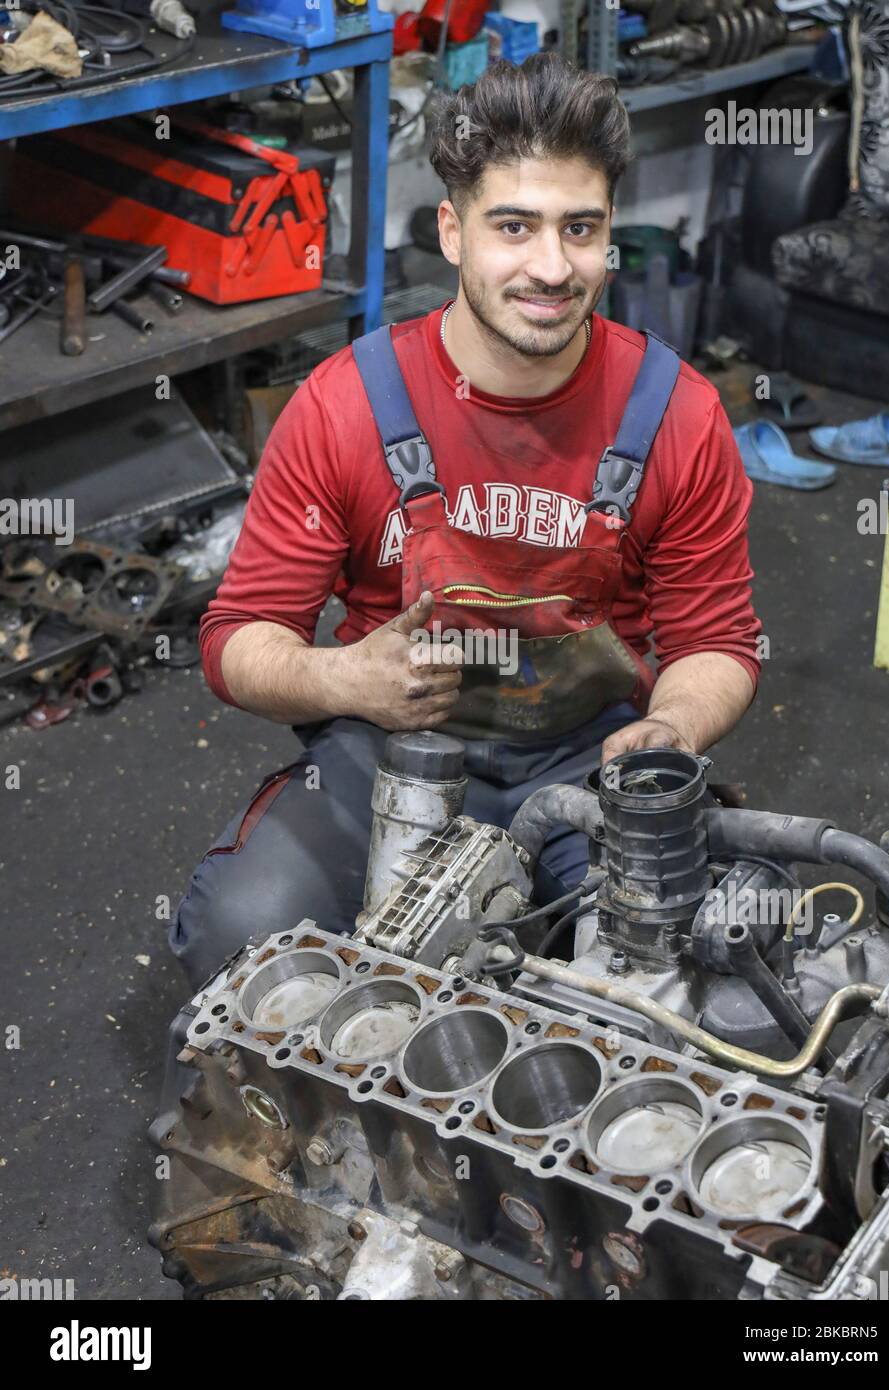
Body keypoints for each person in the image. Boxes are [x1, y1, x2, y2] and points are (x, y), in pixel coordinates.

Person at [168, 51, 762, 989]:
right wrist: (343, 674)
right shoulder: (346, 406)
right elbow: (236, 638)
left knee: (683, 982)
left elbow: (719, 642)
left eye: (581, 228)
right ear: (452, 230)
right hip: (386, 741)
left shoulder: (677, 416)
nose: (552, 267)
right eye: (514, 226)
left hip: (584, 757)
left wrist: (675, 726)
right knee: (241, 934)